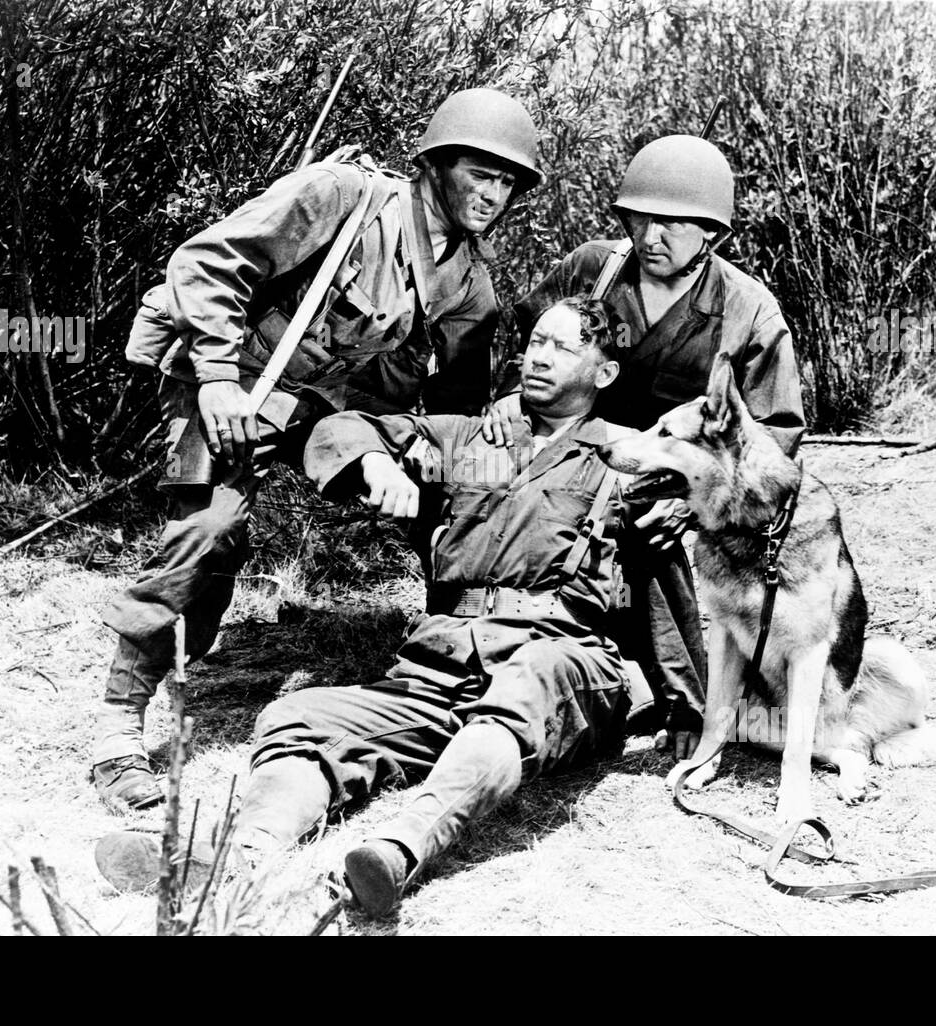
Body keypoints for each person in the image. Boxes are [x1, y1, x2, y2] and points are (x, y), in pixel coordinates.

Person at [93, 89, 543, 811]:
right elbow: (205, 265)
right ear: (435, 163)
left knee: (441, 499)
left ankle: (448, 678)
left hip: (322, 408)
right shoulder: (344, 198)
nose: (492, 194)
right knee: (210, 532)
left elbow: (450, 410)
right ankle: (119, 723)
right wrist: (213, 379)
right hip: (231, 372)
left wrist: (413, 455)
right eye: (479, 172)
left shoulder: (468, 283)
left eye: (506, 182)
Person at [225, 297, 646, 917]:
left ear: (604, 373)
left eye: (563, 346)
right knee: (302, 715)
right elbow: (340, 429)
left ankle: (400, 850)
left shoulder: (631, 458)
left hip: (560, 661)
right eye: (534, 341)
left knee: (532, 679)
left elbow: (693, 569)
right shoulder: (466, 439)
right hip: (440, 671)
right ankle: (243, 855)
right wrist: (376, 461)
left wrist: (690, 709)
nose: (538, 355)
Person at [485, 134, 806, 760]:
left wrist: (693, 507)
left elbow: (777, 439)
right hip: (572, 452)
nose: (651, 235)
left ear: (711, 232)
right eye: (640, 218)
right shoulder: (593, 269)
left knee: (651, 528)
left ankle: (687, 703)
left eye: (673, 224)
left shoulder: (747, 310)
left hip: (672, 479)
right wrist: (507, 401)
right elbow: (529, 338)